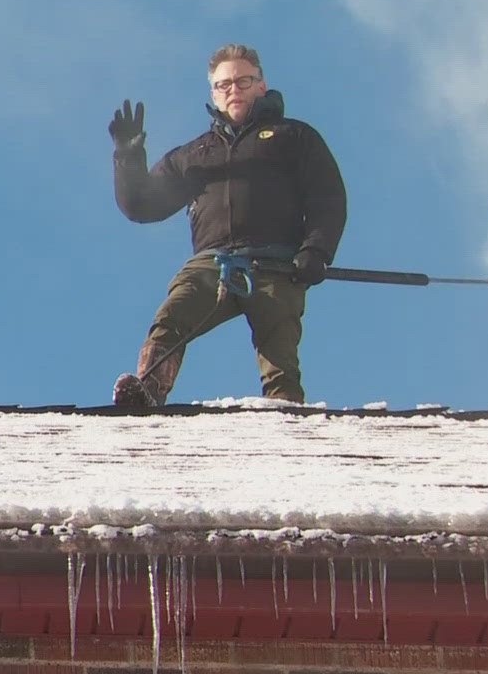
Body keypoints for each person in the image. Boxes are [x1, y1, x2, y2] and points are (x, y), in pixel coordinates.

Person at [107, 44, 347, 406]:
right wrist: (128, 156)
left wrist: (316, 251)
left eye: (242, 81)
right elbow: (141, 205)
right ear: (213, 94)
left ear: (261, 86)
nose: (233, 90)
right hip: (213, 263)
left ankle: (287, 411)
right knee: (172, 316)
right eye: (224, 85)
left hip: (276, 263)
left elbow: (327, 199)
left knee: (278, 347)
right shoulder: (196, 155)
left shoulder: (294, 138)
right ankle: (148, 392)